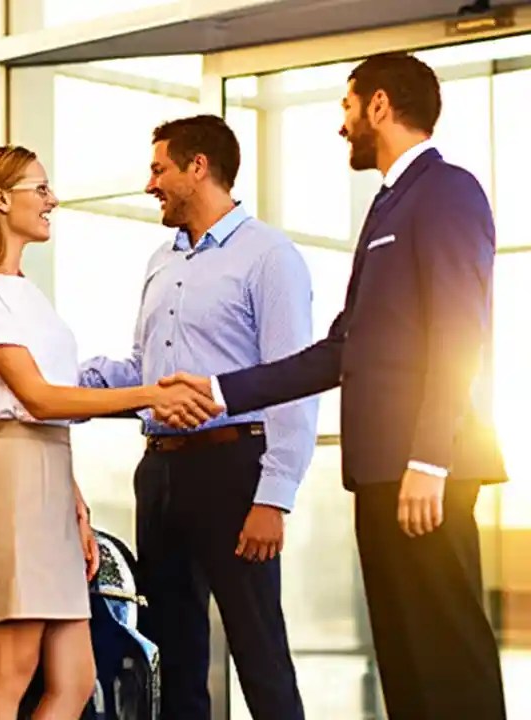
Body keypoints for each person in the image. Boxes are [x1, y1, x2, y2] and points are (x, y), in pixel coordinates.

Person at [161, 53, 508, 719]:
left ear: (380, 105)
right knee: (405, 658)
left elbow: (462, 331)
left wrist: (430, 459)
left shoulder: (447, 190)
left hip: (421, 473)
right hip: (382, 475)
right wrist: (219, 389)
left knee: (447, 655)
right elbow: (339, 351)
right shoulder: (387, 206)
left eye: (348, 107)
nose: (341, 125)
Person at [0, 144, 221, 719]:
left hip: (49, 474)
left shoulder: (23, 289)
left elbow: (54, 409)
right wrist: (149, 395)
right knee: (10, 671)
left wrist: (74, 502)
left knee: (74, 679)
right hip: (14, 481)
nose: (53, 200)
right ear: (0, 198)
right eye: (39, 189)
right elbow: (38, 398)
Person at [78, 114, 316, 720]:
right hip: (159, 474)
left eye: (159, 168)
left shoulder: (269, 256)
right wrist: (57, 384)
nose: (150, 183)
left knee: (259, 654)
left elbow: (295, 381)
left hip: (233, 473)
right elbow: (143, 367)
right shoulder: (162, 259)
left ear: (198, 166)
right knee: (176, 655)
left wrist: (275, 497)